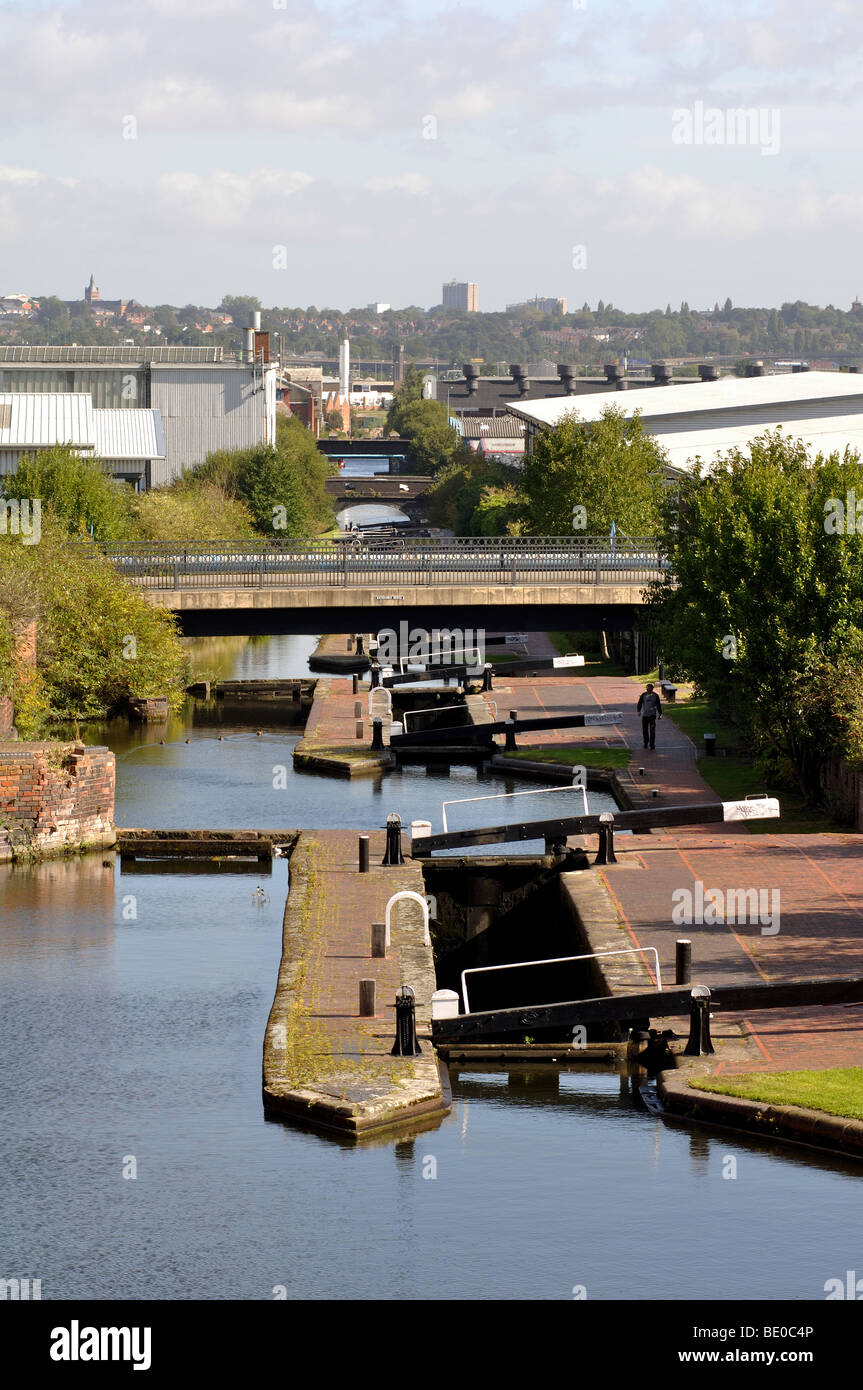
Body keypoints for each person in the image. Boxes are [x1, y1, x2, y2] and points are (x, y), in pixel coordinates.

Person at [636, 682, 662, 750]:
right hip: (645, 715)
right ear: (646, 689)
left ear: (652, 689)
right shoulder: (643, 695)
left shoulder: (655, 696)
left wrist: (660, 714)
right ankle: (646, 742)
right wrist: (638, 711)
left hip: (652, 716)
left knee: (652, 731)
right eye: (647, 690)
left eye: (649, 690)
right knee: (645, 731)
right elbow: (640, 703)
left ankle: (652, 744)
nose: (648, 691)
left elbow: (658, 705)